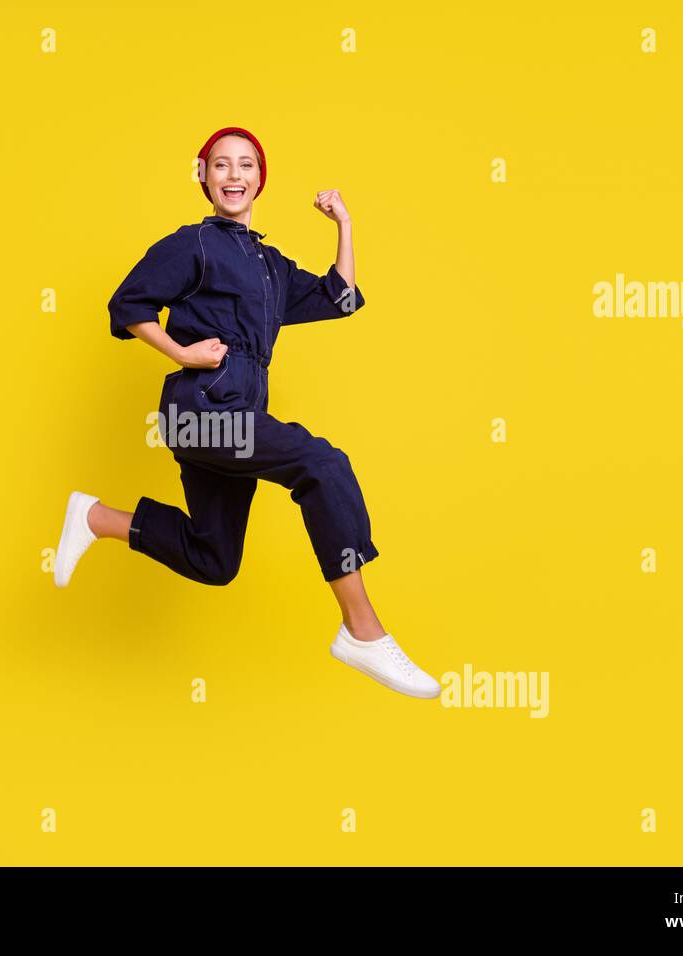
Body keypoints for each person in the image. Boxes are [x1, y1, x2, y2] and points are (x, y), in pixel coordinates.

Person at [54, 126, 440, 699]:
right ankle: (363, 629)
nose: (233, 175)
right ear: (203, 178)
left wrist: (345, 225)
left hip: (235, 411)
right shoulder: (194, 244)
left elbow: (340, 296)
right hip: (200, 408)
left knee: (215, 558)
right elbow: (127, 303)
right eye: (220, 165)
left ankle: (97, 518)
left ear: (260, 179)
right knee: (321, 463)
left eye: (245, 166)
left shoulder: (272, 266)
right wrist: (183, 352)